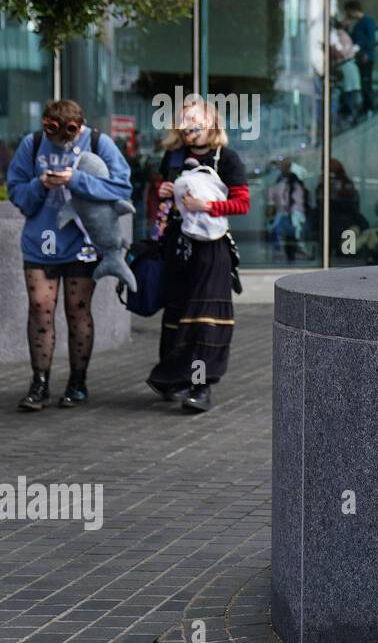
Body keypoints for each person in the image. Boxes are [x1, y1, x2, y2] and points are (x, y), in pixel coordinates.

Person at [7, 100, 131, 410]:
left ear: (80, 125)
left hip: (83, 243)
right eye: (53, 130)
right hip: (41, 241)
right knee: (40, 309)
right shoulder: (32, 143)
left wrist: (75, 180)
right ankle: (39, 384)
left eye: (69, 132)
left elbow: (122, 187)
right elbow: (17, 191)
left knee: (77, 310)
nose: (61, 138)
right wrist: (41, 184)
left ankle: (77, 383)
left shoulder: (99, 142)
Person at [146, 100, 249, 413]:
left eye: (195, 122)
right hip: (180, 246)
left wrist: (208, 207)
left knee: (206, 318)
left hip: (212, 247)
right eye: (184, 124)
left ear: (212, 123)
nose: (189, 130)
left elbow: (242, 203)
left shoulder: (227, 159)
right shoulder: (174, 157)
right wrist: (164, 193)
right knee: (177, 315)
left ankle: (200, 386)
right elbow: (163, 205)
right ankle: (172, 377)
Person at [267, 158, 309, 262]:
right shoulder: (279, 184)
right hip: (285, 216)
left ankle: (295, 252)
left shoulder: (295, 183)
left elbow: (299, 201)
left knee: (294, 237)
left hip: (295, 216)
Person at [344, 0, 377, 113]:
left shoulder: (367, 21)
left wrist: (366, 53)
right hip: (359, 57)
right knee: (363, 82)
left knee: (366, 81)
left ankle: (369, 106)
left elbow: (371, 39)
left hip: (366, 56)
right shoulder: (358, 25)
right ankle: (365, 106)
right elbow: (352, 40)